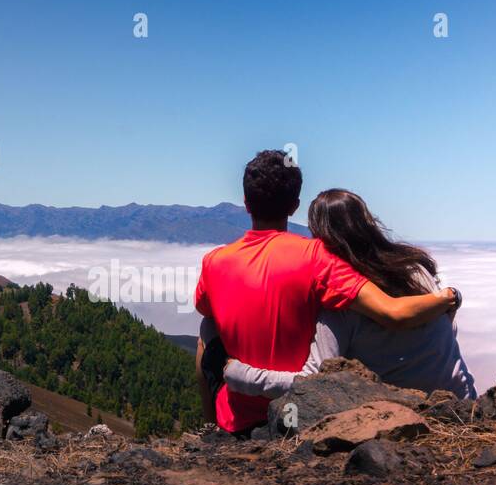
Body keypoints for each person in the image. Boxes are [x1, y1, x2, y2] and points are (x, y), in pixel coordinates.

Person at [193, 151, 460, 434]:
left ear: (246, 204)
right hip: (296, 409)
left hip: (243, 412)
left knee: (205, 329)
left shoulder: (213, 261)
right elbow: (391, 311)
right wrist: (450, 296)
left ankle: (212, 428)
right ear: (294, 206)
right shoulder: (317, 257)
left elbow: (208, 312)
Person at [215, 188, 477, 402]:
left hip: (409, 418)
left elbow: (313, 384)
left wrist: (241, 375)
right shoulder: (416, 269)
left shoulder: (343, 304)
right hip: (465, 404)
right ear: (367, 222)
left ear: (320, 237)